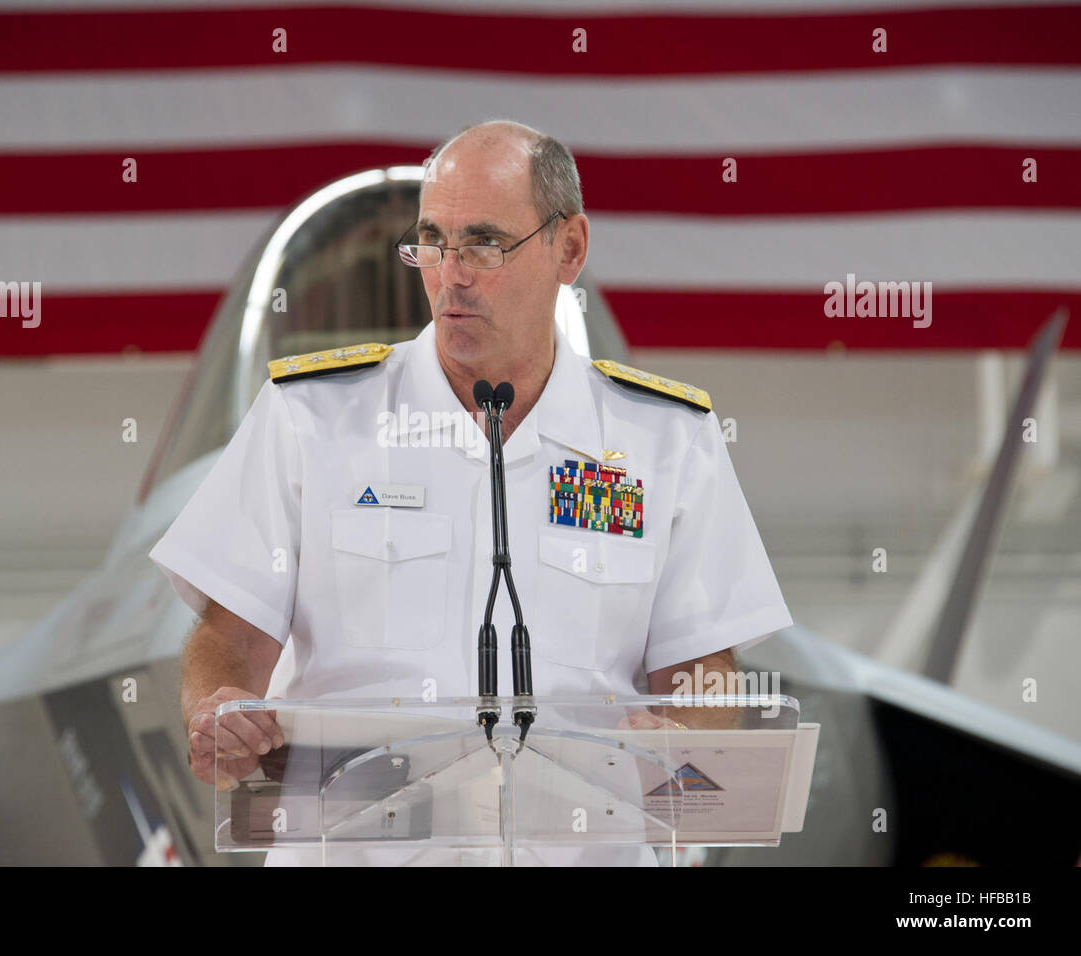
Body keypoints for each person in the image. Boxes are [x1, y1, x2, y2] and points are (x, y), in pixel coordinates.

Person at [150, 119, 793, 866]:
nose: (450, 273)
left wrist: (686, 732)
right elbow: (230, 638)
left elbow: (702, 667)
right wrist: (220, 708)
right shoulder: (311, 418)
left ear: (570, 248)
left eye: (484, 243)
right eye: (432, 242)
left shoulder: (663, 439)